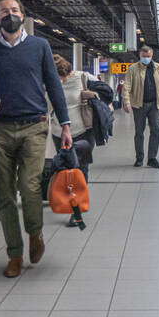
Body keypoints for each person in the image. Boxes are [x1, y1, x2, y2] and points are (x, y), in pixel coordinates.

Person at [0, 0, 72, 278]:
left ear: (23, 15)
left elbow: (54, 85)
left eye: (14, 10)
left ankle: (35, 233)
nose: (9, 14)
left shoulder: (40, 46)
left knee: (29, 187)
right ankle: (14, 253)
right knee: (4, 195)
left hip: (34, 126)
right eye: (4, 11)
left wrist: (65, 124)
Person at [48, 54, 99, 227]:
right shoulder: (47, 82)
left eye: (61, 77)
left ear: (67, 72)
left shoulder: (83, 77)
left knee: (80, 170)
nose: (60, 81)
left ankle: (77, 211)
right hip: (59, 132)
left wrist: (92, 95)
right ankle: (66, 200)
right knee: (66, 169)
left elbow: (104, 92)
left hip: (83, 131)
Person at [122, 45, 159, 168]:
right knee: (139, 132)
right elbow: (126, 86)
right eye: (144, 56)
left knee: (156, 131)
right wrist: (126, 102)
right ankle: (139, 158)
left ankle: (152, 158)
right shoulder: (133, 69)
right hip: (139, 105)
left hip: (154, 105)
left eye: (148, 56)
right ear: (140, 55)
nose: (146, 58)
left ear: (152, 55)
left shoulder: (158, 68)